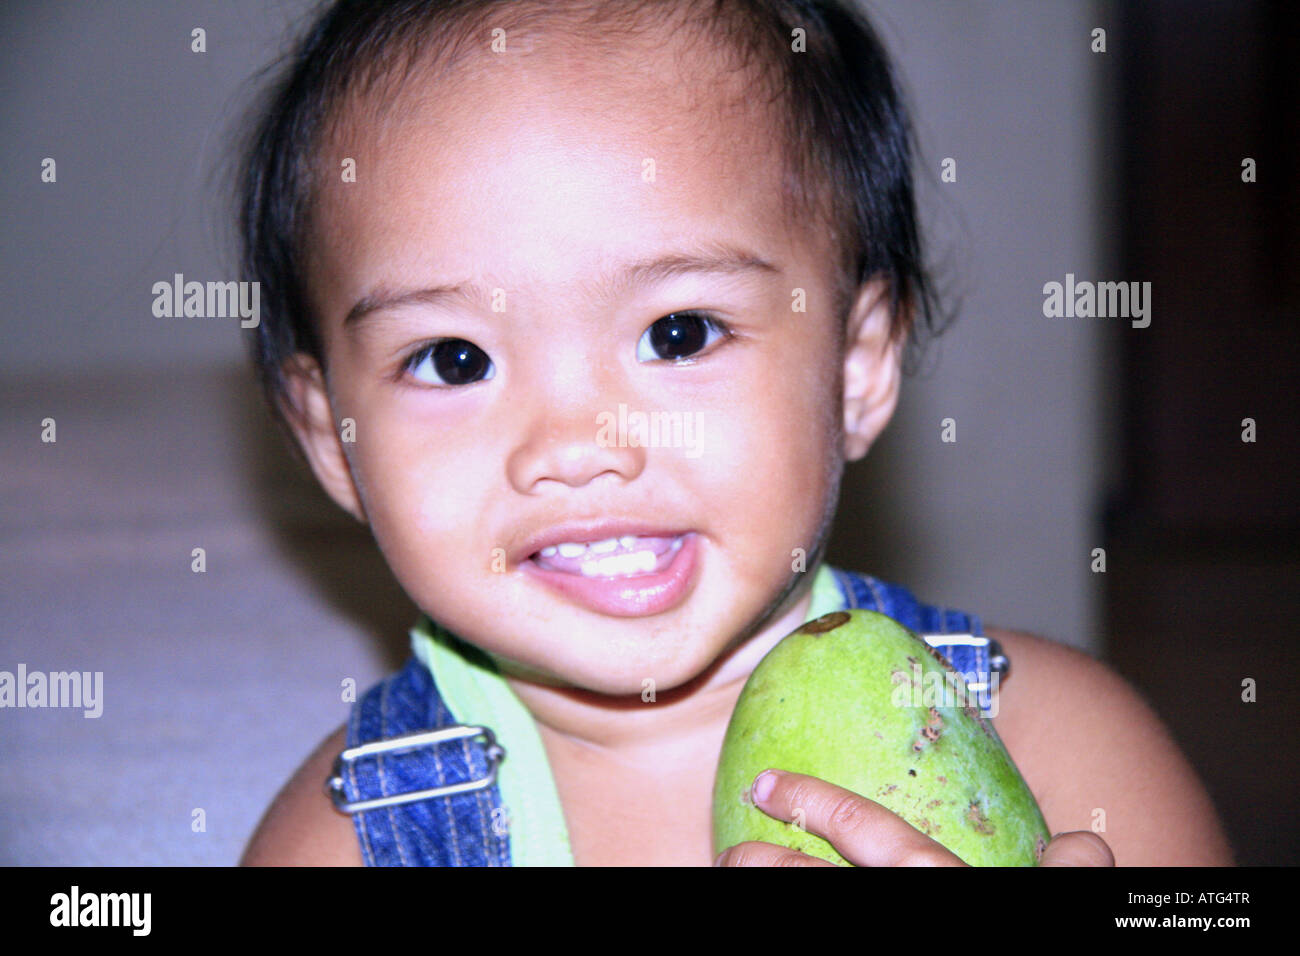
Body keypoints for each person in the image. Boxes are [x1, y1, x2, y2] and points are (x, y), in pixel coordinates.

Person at [235, 0, 1234, 866]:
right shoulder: (342, 839)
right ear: (331, 433)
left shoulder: (1065, 750)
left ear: (856, 366)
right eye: (455, 358)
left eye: (679, 333)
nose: (580, 444)